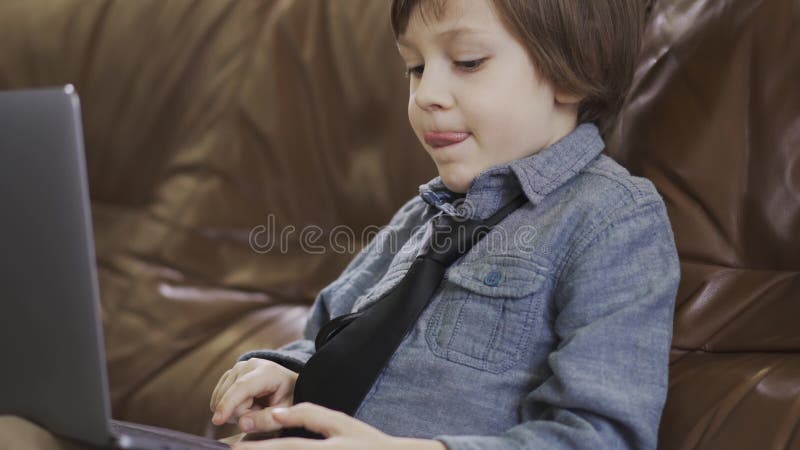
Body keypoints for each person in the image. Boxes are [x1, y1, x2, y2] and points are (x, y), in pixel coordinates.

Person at [210, 0, 680, 449]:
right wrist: (288, 371)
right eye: (415, 68)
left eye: (468, 61)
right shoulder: (424, 212)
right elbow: (325, 331)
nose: (426, 95)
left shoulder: (614, 219)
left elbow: (602, 439)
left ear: (575, 67)